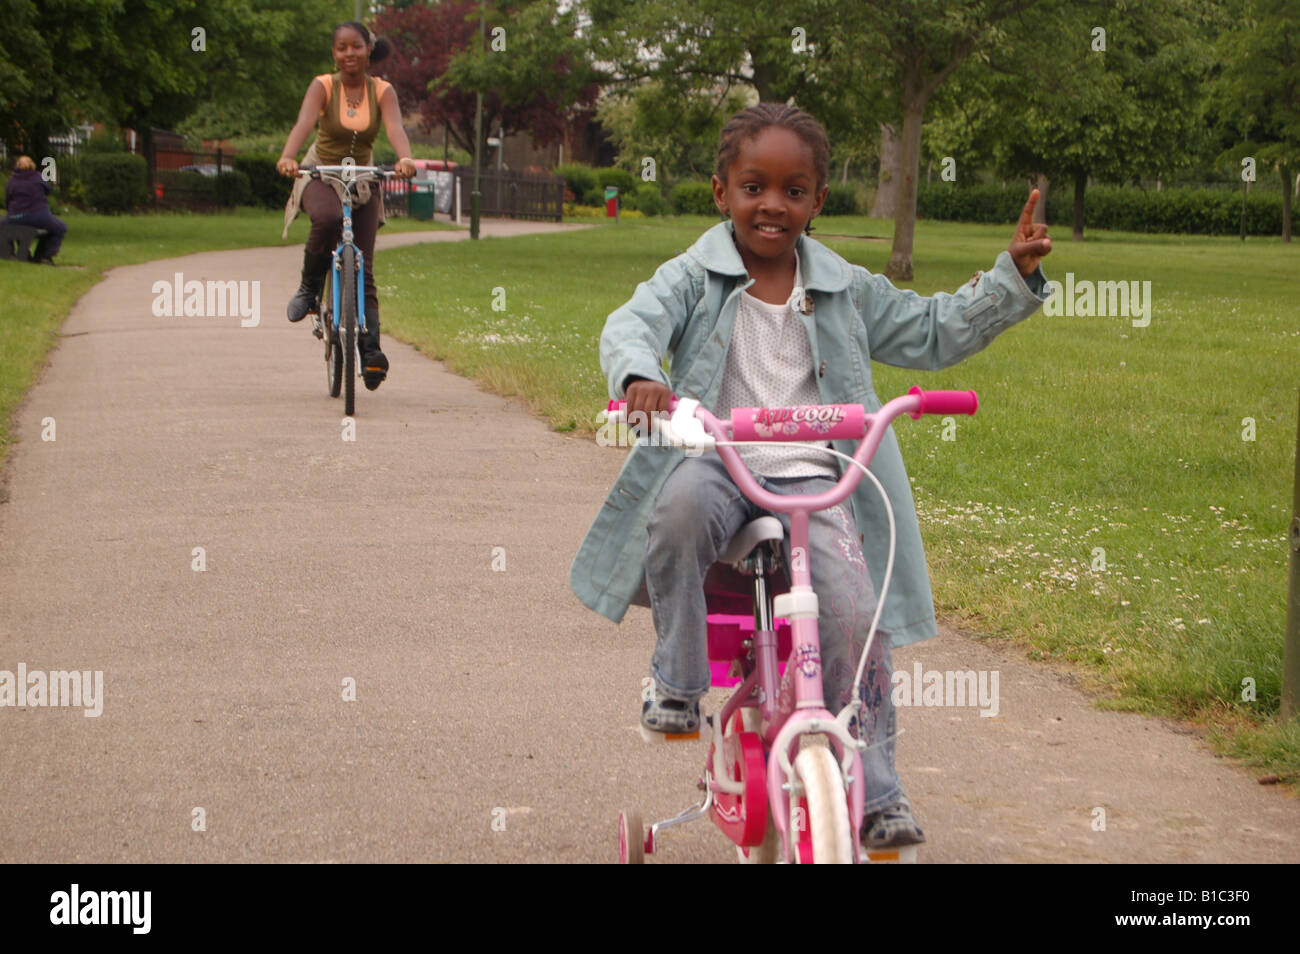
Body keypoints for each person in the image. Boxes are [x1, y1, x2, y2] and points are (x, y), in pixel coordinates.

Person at [569, 103, 1053, 849]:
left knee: (858, 616)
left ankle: (880, 793)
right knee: (676, 515)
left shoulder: (845, 288)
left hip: (822, 478)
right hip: (721, 461)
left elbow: (929, 331)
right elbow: (631, 324)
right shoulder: (692, 277)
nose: (773, 205)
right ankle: (676, 682)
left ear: (818, 201)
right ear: (720, 191)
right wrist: (639, 375)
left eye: (794, 190)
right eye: (754, 186)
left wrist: (1008, 279)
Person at [277, 20, 416, 390]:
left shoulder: (382, 90)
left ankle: (371, 352)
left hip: (363, 177)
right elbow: (304, 124)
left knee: (363, 264)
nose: (349, 53)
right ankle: (309, 290)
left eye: (356, 46)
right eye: (341, 48)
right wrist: (289, 157)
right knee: (327, 218)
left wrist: (405, 159)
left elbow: (395, 129)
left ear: (368, 49)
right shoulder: (323, 86)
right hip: (320, 171)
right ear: (334, 53)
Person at [3, 155, 67, 264]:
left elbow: (8, 199)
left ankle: (10, 254)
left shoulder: (12, 180)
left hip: (15, 217)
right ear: (32, 165)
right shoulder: (38, 177)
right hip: (39, 216)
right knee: (59, 227)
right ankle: (44, 256)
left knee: (2, 226)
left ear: (17, 166)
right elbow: (48, 190)